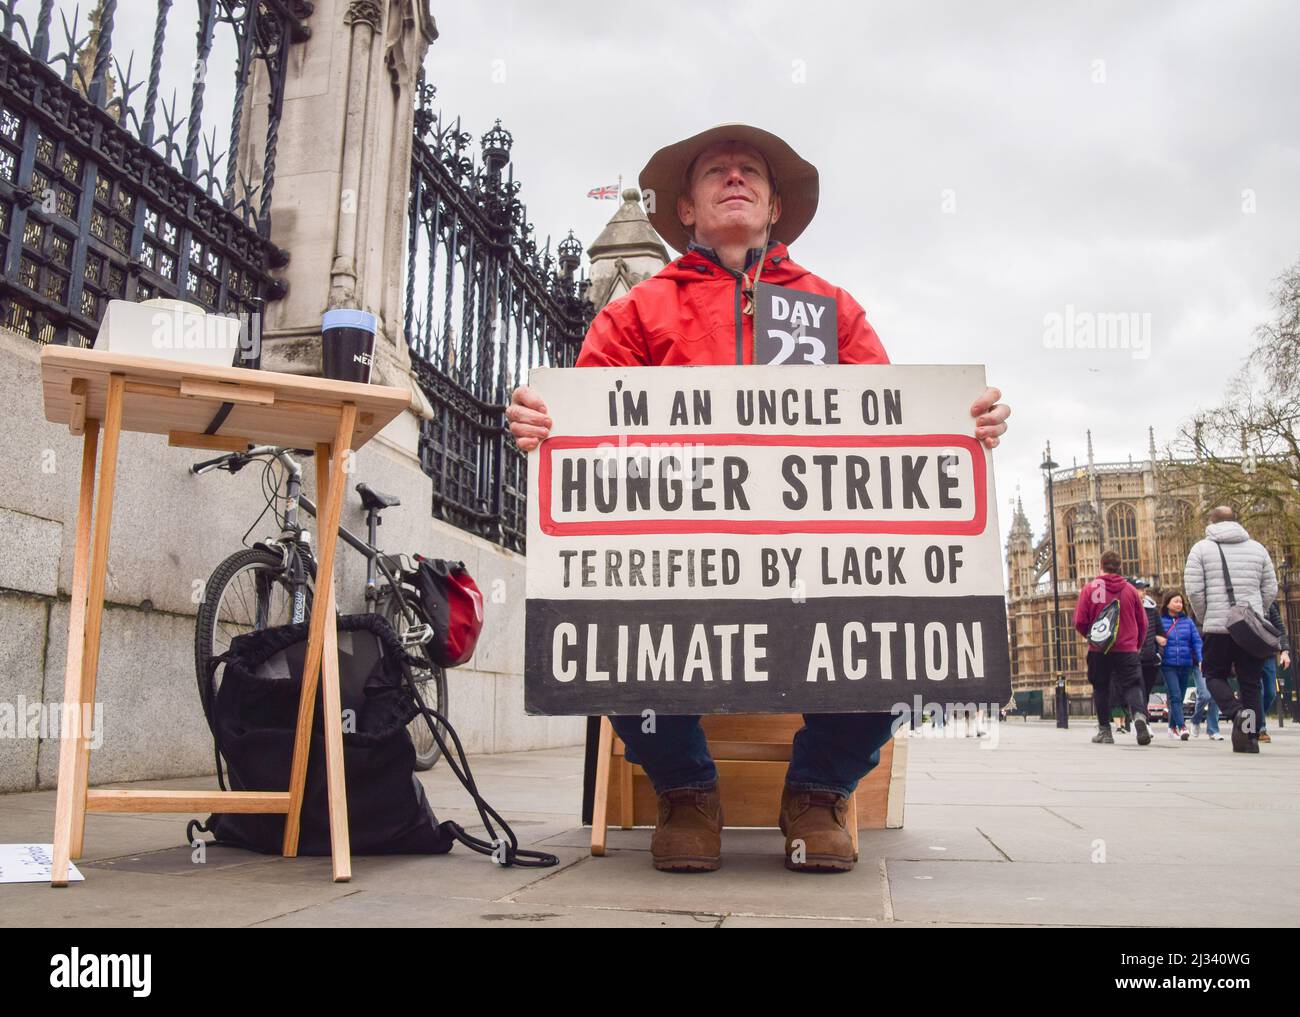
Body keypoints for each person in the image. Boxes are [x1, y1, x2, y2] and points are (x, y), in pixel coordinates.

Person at [507, 124, 1012, 873]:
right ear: (685, 208)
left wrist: (965, 425)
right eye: (717, 171)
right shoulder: (638, 312)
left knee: (919, 625)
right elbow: (586, 413)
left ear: (776, 206)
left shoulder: (834, 309)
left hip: (817, 566)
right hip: (675, 558)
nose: (734, 178)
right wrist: (541, 420)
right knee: (595, 619)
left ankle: (818, 790)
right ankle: (685, 790)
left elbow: (892, 421)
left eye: (751, 172)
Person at [1183, 506, 1278, 754]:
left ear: (1211, 522)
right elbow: (1271, 589)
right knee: (1251, 683)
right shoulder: (1258, 548)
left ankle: (1236, 713)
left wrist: (1207, 616)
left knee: (1213, 675)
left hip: (1217, 626)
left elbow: (1193, 591)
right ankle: (1251, 739)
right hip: (1250, 627)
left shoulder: (1201, 549)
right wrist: (1256, 614)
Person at [1074, 549, 1151, 745]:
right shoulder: (1131, 590)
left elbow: (1080, 621)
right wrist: (1137, 644)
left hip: (1099, 650)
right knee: (1132, 685)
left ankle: (1105, 731)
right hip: (1127, 649)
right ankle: (1140, 718)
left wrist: (1094, 638)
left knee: (1101, 687)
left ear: (1101, 566)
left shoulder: (1090, 589)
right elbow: (1143, 622)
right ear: (1120, 567)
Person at [1157, 590, 1201, 741]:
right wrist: (1157, 638)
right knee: (1175, 695)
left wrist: (1200, 659)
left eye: (1181, 602)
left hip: (1185, 663)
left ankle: (1171, 727)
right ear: (1167, 603)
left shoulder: (1188, 622)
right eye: (1176, 601)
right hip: (1168, 664)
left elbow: (1196, 641)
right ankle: (1182, 727)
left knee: (1180, 697)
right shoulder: (1160, 621)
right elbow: (1150, 635)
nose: (1179, 604)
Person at [1258, 600, 1291, 742]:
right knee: (1259, 691)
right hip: (1249, 655)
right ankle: (1260, 728)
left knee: (1271, 693)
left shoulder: (1269, 605)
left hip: (1268, 654)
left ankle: (1254, 720)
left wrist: (1284, 651)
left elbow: (1280, 629)